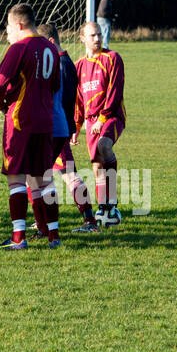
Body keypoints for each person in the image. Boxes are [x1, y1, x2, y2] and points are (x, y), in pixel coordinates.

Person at [0, 3, 61, 250]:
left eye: (8, 27)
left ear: (19, 25)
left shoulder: (18, 48)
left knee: (16, 179)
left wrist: (4, 106)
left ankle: (18, 236)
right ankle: (54, 235)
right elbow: (54, 84)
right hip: (45, 120)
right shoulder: (51, 48)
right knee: (45, 180)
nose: (7, 32)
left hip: (20, 121)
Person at [35, 24, 98, 234]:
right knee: (53, 174)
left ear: (51, 42)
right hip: (61, 126)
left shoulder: (60, 64)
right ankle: (46, 221)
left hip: (55, 128)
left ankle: (87, 221)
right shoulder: (66, 62)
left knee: (63, 175)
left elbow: (63, 100)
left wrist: (68, 125)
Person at [73, 20, 126, 226]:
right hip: (90, 120)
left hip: (111, 115)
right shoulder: (79, 65)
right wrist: (76, 127)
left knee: (105, 145)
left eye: (99, 34)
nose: (97, 38)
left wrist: (102, 118)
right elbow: (78, 99)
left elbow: (115, 91)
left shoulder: (112, 58)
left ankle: (111, 201)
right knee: (96, 166)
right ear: (83, 39)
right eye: (92, 35)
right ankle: (104, 207)